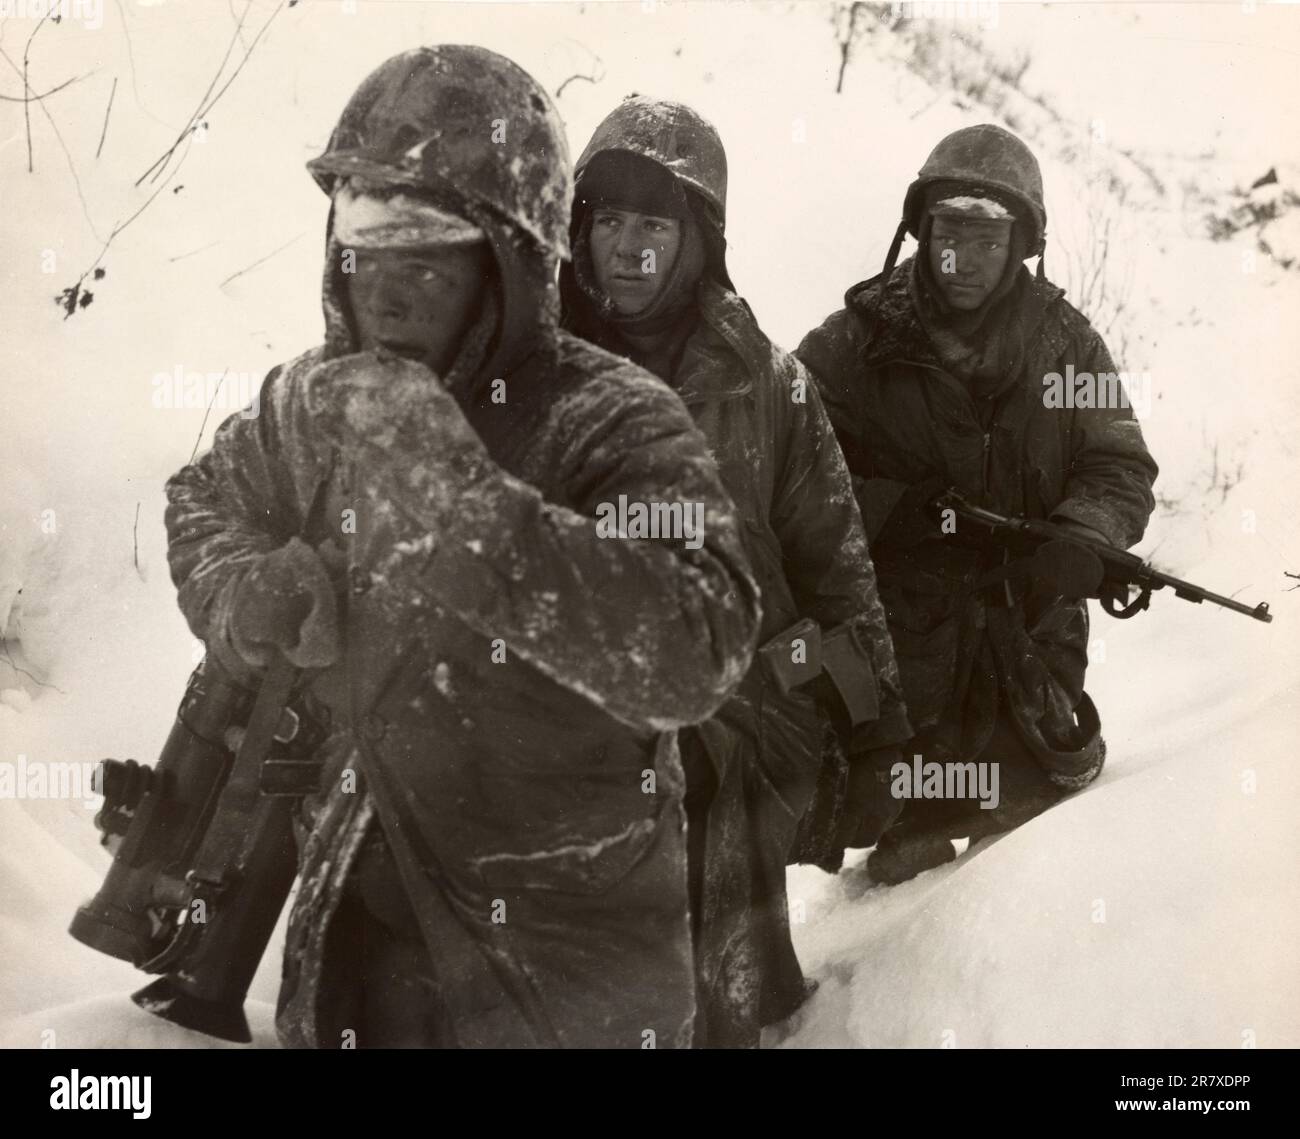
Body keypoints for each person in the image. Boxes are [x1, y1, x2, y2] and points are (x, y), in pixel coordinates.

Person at [164, 47, 762, 1049]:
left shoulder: (611, 417)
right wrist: (244, 592)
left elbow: (701, 639)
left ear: (510, 262)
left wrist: (460, 506)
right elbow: (204, 494)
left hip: (564, 986)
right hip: (355, 960)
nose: (386, 288)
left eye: (427, 247)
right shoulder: (321, 394)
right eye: (363, 235)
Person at [561, 96, 911, 1047]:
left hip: (745, 697)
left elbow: (837, 565)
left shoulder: (768, 383)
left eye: (656, 225)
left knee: (706, 757)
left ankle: (729, 1007)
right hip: (565, 687)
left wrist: (880, 733)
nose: (626, 247)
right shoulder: (524, 360)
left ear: (698, 240)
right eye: (610, 221)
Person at [796, 124, 1158, 884]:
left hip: (1025, 633)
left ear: (1021, 245)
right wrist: (893, 509)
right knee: (892, 825)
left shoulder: (1066, 350)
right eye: (949, 232)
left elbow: (1118, 461)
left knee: (1037, 844)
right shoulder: (855, 343)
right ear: (921, 232)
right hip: (897, 637)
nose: (964, 256)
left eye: (988, 238)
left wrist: (1080, 534)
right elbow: (784, 472)